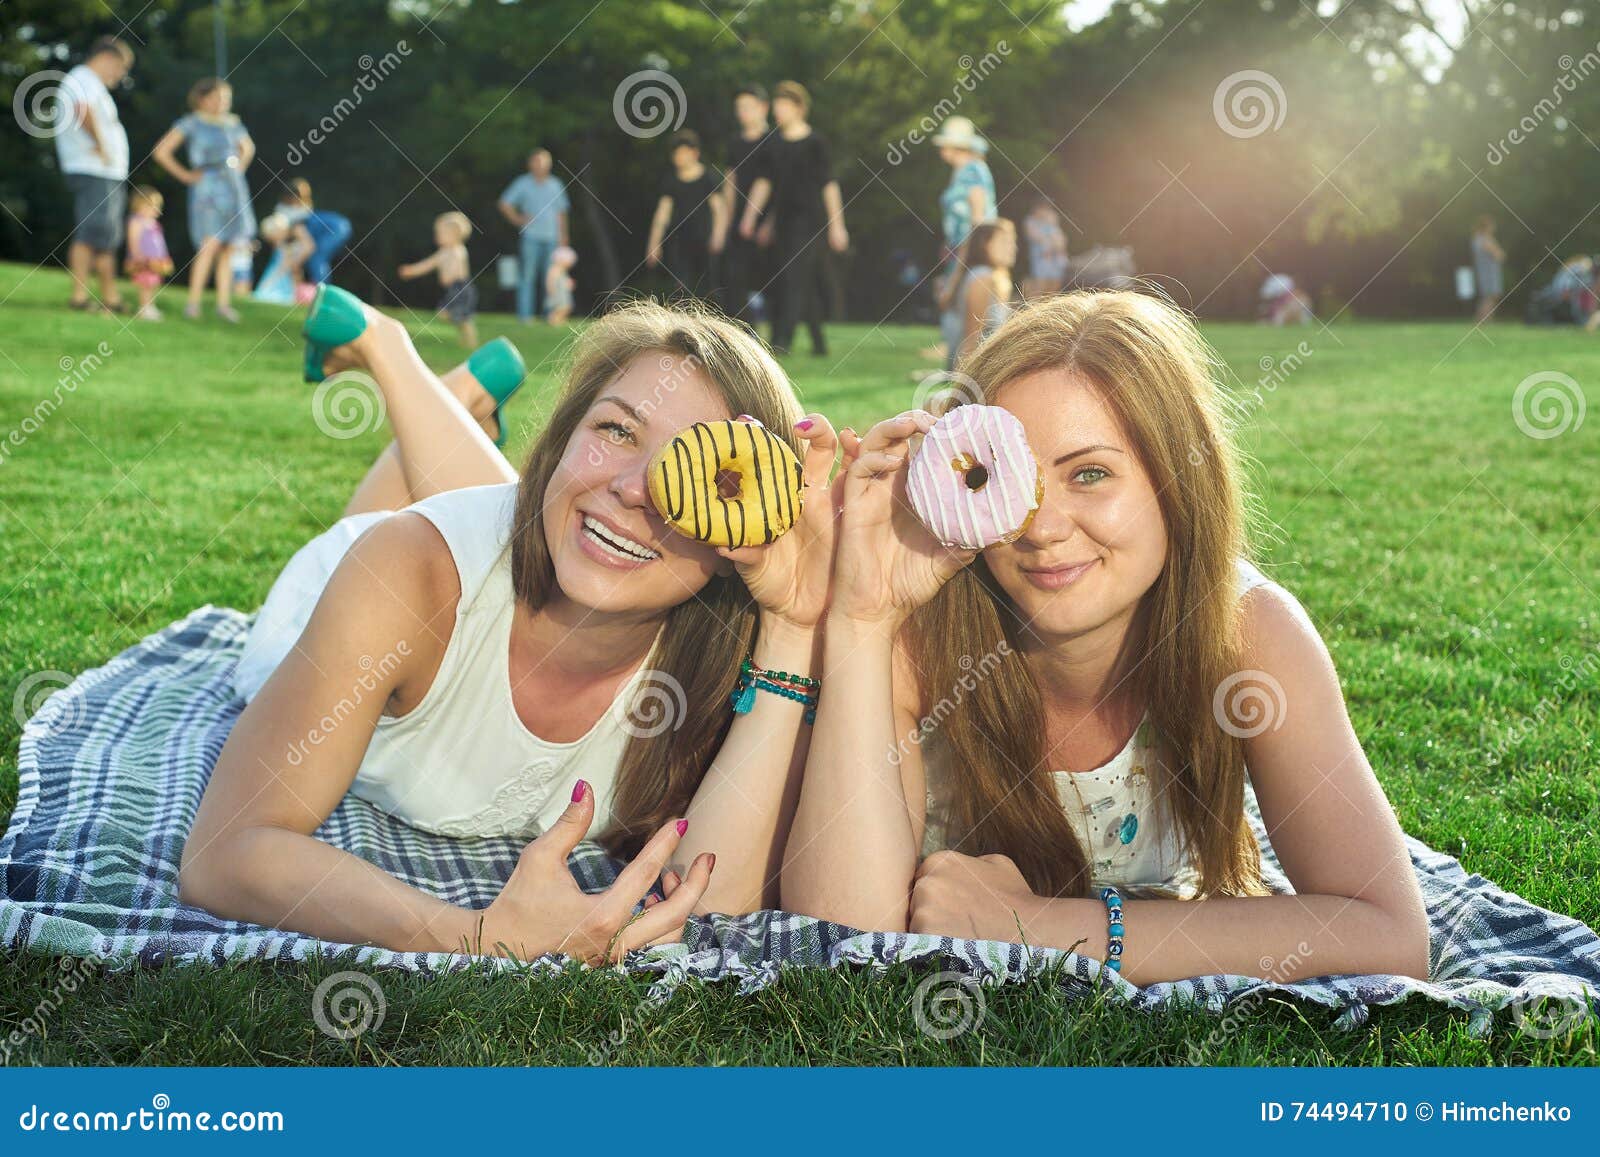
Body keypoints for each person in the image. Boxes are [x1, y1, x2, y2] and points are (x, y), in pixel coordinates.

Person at [782, 290, 1431, 987]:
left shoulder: (1250, 637)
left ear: (1180, 481)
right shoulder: (921, 636)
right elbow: (839, 940)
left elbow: (1389, 936)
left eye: (1089, 473)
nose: (1041, 527)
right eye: (1010, 479)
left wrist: (1038, 927)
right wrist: (859, 622)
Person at [178, 290, 844, 962]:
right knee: (427, 538)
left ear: (749, 530)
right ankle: (386, 345)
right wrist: (478, 937)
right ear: (561, 434)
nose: (638, 488)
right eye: (615, 430)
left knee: (566, 515)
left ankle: (460, 394)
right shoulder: (403, 575)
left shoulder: (732, 649)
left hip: (518, 536)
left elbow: (714, 912)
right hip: (353, 582)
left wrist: (792, 624)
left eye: (693, 474)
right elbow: (225, 852)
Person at [739, 81, 850, 357]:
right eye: (776, 107)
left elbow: (829, 186)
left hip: (811, 223)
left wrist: (838, 225)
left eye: (784, 107)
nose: (779, 112)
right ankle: (819, 344)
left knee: (792, 278)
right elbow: (765, 184)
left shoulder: (816, 144)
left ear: (800, 109)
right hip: (783, 224)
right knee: (801, 281)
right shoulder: (773, 145)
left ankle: (780, 342)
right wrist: (751, 218)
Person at [152, 77, 257, 322]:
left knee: (229, 247)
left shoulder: (232, 124)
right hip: (207, 187)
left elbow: (248, 148)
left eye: (225, 98)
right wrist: (186, 176)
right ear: (201, 98)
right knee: (209, 245)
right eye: (216, 97)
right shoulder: (191, 123)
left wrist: (237, 169)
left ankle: (223, 304)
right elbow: (161, 152)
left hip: (233, 187)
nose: (222, 103)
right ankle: (194, 303)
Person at [54, 37, 134, 314]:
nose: (121, 75)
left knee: (105, 235)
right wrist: (100, 144)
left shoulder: (91, 83)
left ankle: (109, 297)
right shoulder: (83, 78)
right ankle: (79, 296)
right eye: (120, 67)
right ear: (106, 58)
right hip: (92, 169)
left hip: (105, 172)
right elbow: (81, 110)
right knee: (92, 233)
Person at [931, 116, 996, 370]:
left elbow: (977, 221)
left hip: (970, 256)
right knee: (954, 334)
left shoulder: (973, 170)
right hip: (957, 254)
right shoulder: (959, 172)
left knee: (968, 338)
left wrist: (957, 273)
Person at [716, 85, 776, 322]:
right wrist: (727, 221)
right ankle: (744, 331)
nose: (743, 112)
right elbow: (729, 182)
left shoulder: (774, 141)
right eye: (739, 108)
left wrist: (760, 221)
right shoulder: (734, 143)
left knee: (774, 279)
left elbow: (770, 183)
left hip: (769, 219)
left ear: (764, 108)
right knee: (734, 278)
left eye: (748, 107)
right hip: (739, 223)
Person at [646, 130, 725, 300]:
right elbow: (662, 214)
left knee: (709, 286)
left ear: (695, 153)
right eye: (676, 154)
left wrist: (718, 236)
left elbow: (719, 210)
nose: (679, 158)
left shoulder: (708, 178)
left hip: (705, 240)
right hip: (679, 241)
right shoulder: (671, 181)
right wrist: (654, 243)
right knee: (680, 286)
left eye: (683, 153)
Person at [498, 149, 570, 323]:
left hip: (552, 238)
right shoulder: (523, 183)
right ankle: (525, 317)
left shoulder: (555, 184)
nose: (540, 165)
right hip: (530, 237)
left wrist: (564, 236)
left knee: (551, 280)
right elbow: (504, 203)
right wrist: (517, 219)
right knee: (527, 277)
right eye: (536, 161)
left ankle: (549, 316)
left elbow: (561, 213)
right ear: (530, 164)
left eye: (543, 161)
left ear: (549, 164)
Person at [399, 210, 479, 349]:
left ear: (454, 235)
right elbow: (427, 265)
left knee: (454, 315)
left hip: (461, 288)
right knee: (452, 315)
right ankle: (466, 338)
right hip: (452, 288)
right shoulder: (443, 252)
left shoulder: (457, 250)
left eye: (441, 233)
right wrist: (411, 270)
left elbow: (456, 265)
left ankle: (471, 342)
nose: (437, 236)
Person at [951, 219, 1016, 362]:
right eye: (1004, 242)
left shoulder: (998, 278)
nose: (1012, 248)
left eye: (1012, 242)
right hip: (976, 371)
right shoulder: (982, 277)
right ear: (985, 245)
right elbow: (971, 339)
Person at [122, 187, 174, 322]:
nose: (154, 209)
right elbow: (133, 241)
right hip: (143, 262)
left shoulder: (154, 224)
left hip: (155, 262)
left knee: (153, 284)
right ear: (138, 205)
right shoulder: (136, 222)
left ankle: (150, 306)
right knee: (145, 284)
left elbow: (159, 244)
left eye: (156, 206)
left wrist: (163, 258)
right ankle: (144, 307)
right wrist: (136, 255)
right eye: (150, 206)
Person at [1022, 201, 1068, 299]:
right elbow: (1036, 237)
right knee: (1040, 287)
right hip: (1041, 259)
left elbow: (1060, 244)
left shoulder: (1054, 228)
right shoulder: (1030, 221)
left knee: (1054, 287)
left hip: (1055, 261)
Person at [1471, 216, 1506, 324]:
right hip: (1489, 272)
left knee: (1488, 296)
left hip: (1484, 271)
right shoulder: (1485, 240)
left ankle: (1481, 320)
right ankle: (1485, 320)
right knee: (1490, 296)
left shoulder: (1476, 239)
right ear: (1487, 227)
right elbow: (1499, 255)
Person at [545, 245, 577, 325]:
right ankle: (553, 320)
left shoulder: (563, 271)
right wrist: (551, 290)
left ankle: (558, 320)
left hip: (563, 294)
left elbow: (563, 282)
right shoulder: (555, 269)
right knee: (561, 308)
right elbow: (550, 280)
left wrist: (569, 284)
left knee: (567, 307)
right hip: (558, 294)